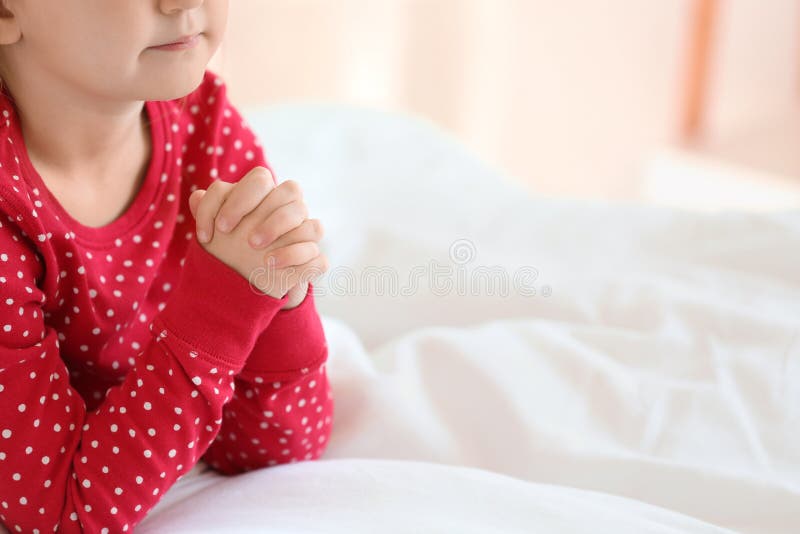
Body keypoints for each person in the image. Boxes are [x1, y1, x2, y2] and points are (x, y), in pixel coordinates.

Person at [0, 1, 333, 532]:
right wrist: (221, 312)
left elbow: (280, 446)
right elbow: (60, 514)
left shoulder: (203, 124)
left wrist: (276, 289)